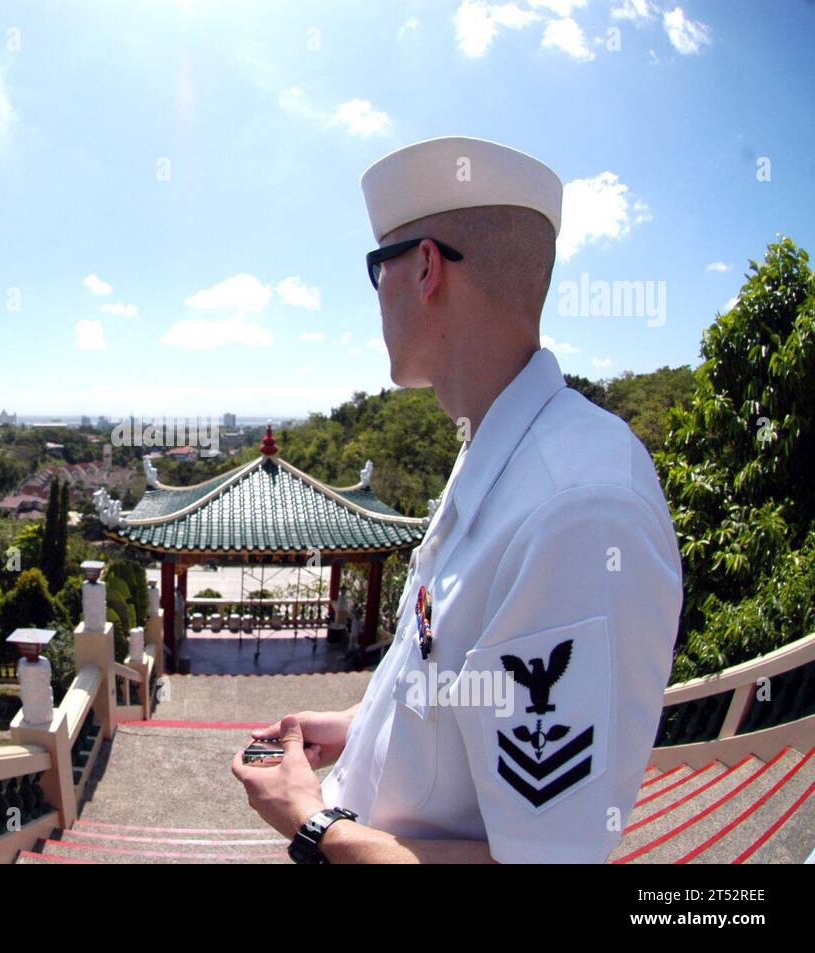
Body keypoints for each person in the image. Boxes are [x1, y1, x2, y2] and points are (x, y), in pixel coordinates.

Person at [232, 136, 683, 864]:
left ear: (425, 269)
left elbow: (542, 864)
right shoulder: (495, 453)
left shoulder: (579, 509)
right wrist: (363, 722)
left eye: (378, 268)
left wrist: (311, 823)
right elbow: (454, 682)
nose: (375, 294)